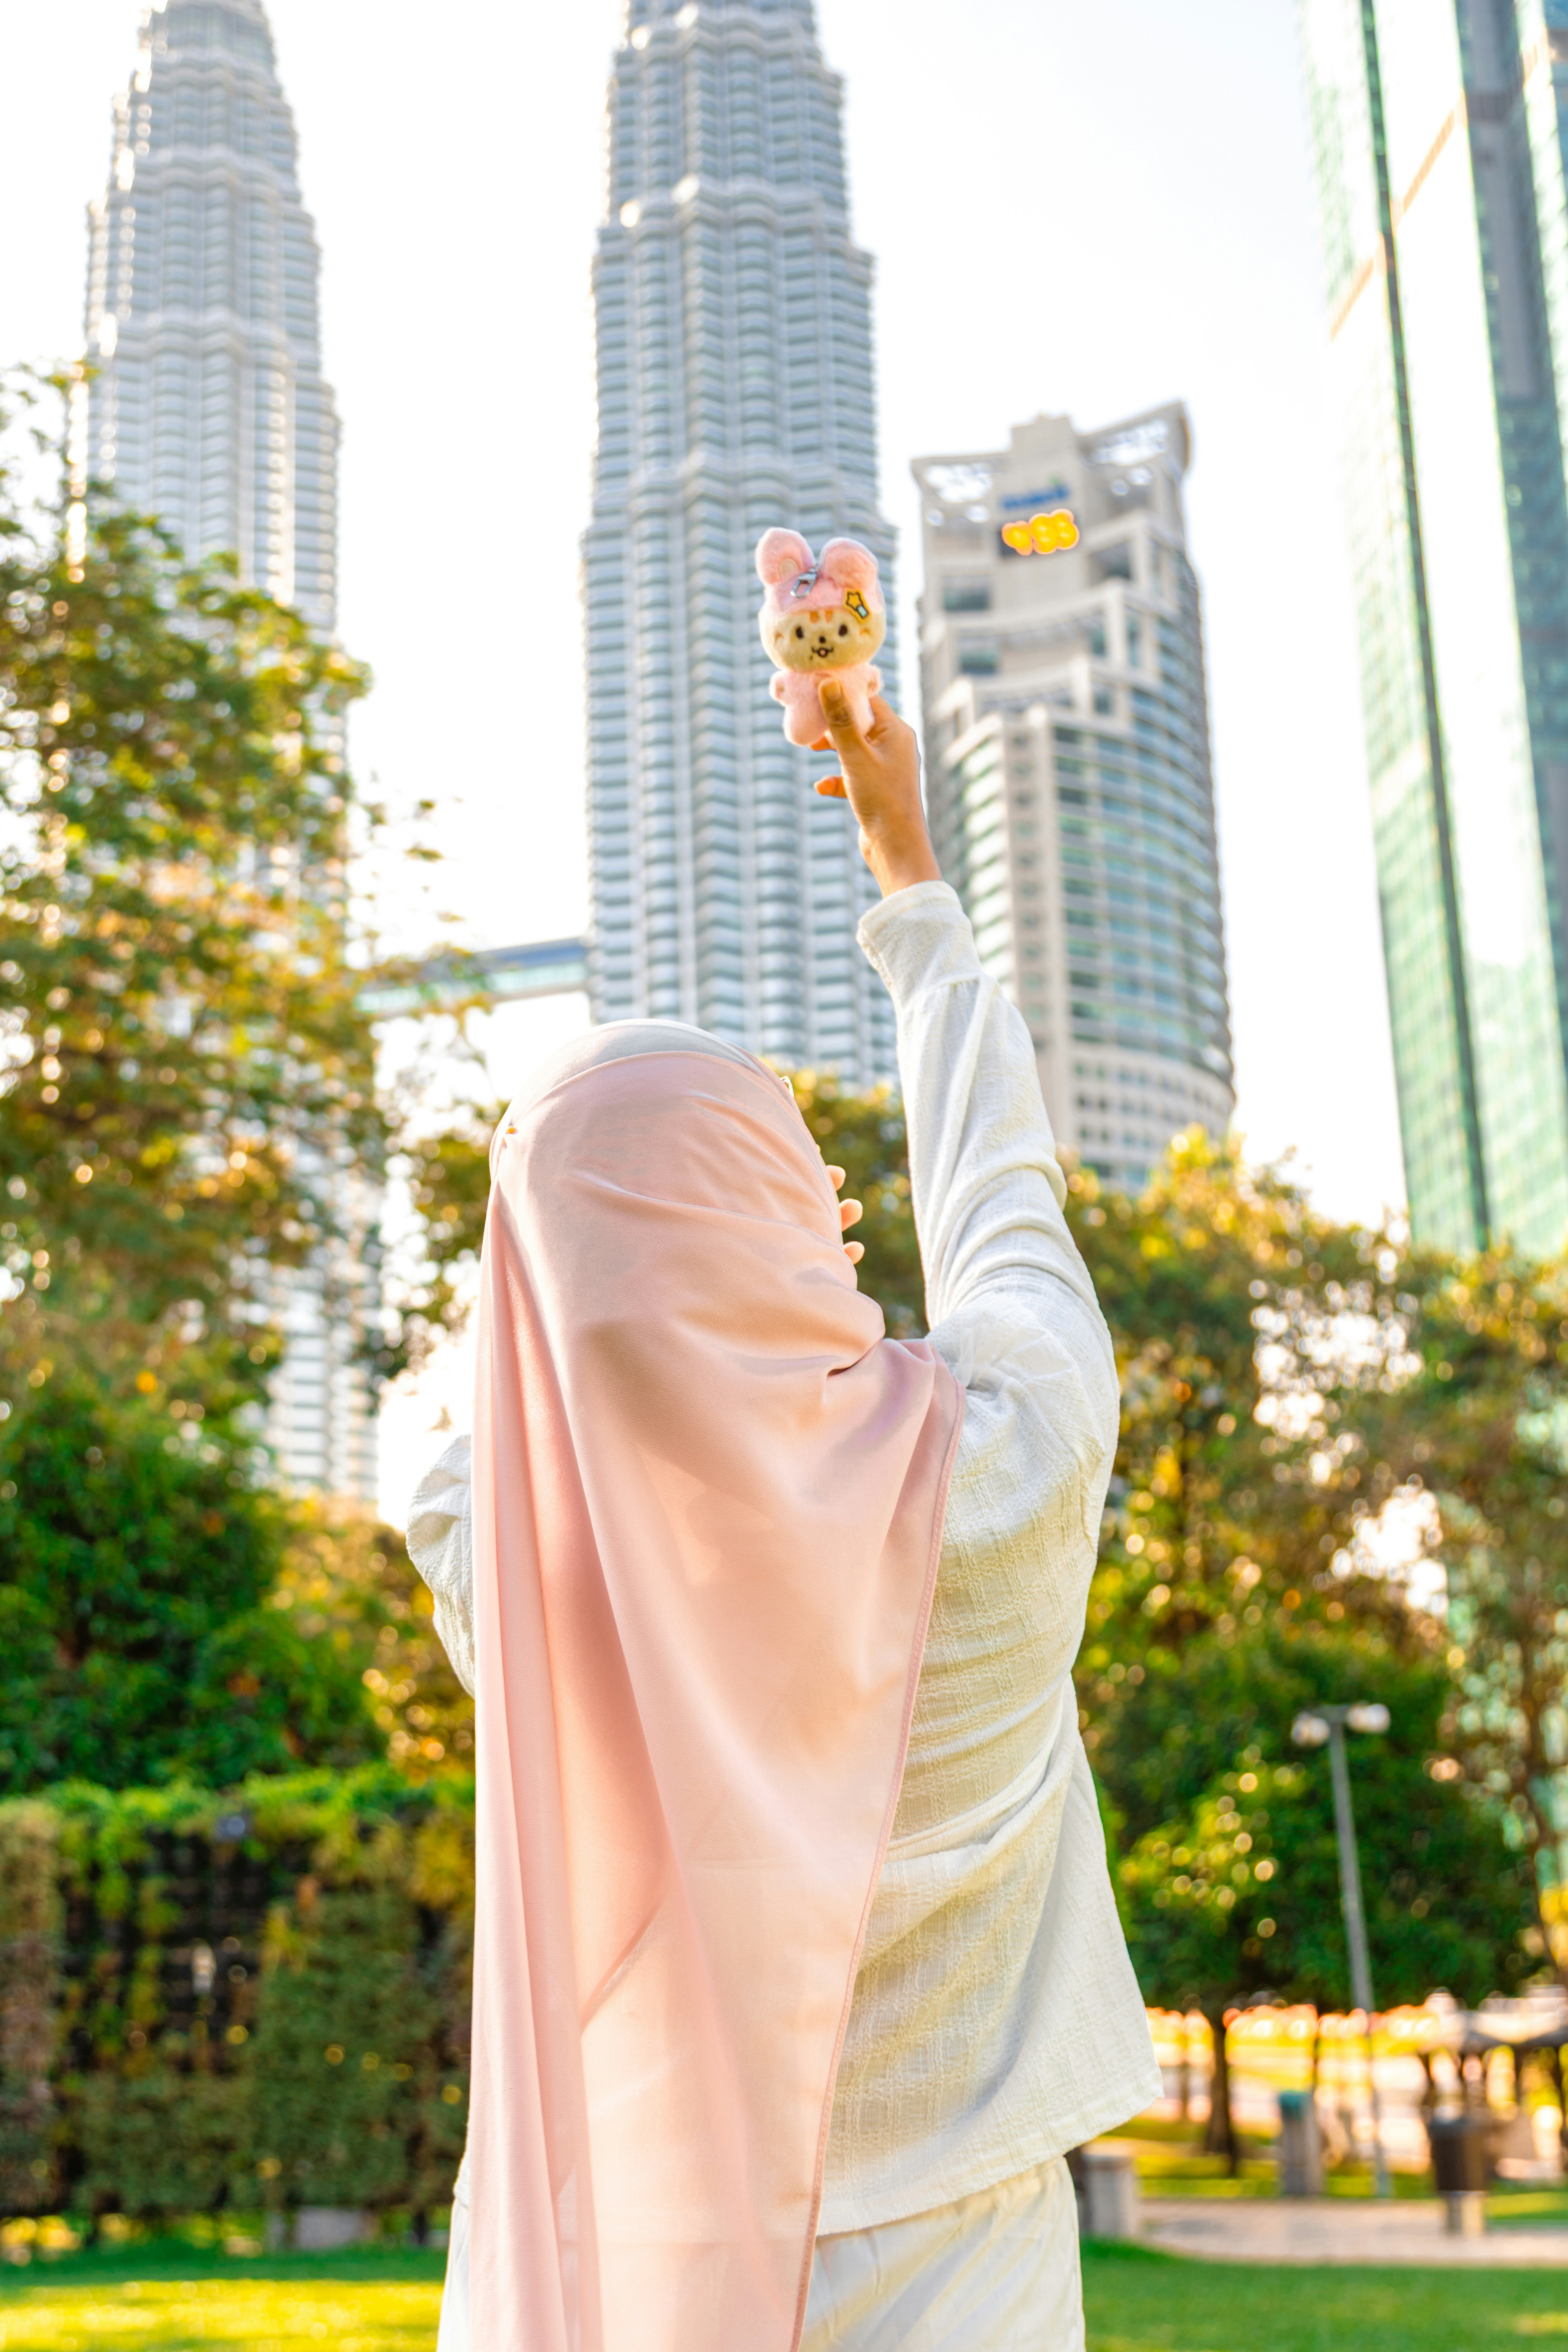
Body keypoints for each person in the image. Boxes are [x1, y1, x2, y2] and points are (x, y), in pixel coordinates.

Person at [406, 680, 1159, 2352]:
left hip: (652, 2263)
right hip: (971, 2270)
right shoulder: (1009, 1456)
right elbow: (997, 1188)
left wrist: (595, 1264)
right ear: (795, 1210)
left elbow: (474, 1419)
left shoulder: (515, 1574)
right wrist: (904, 859)